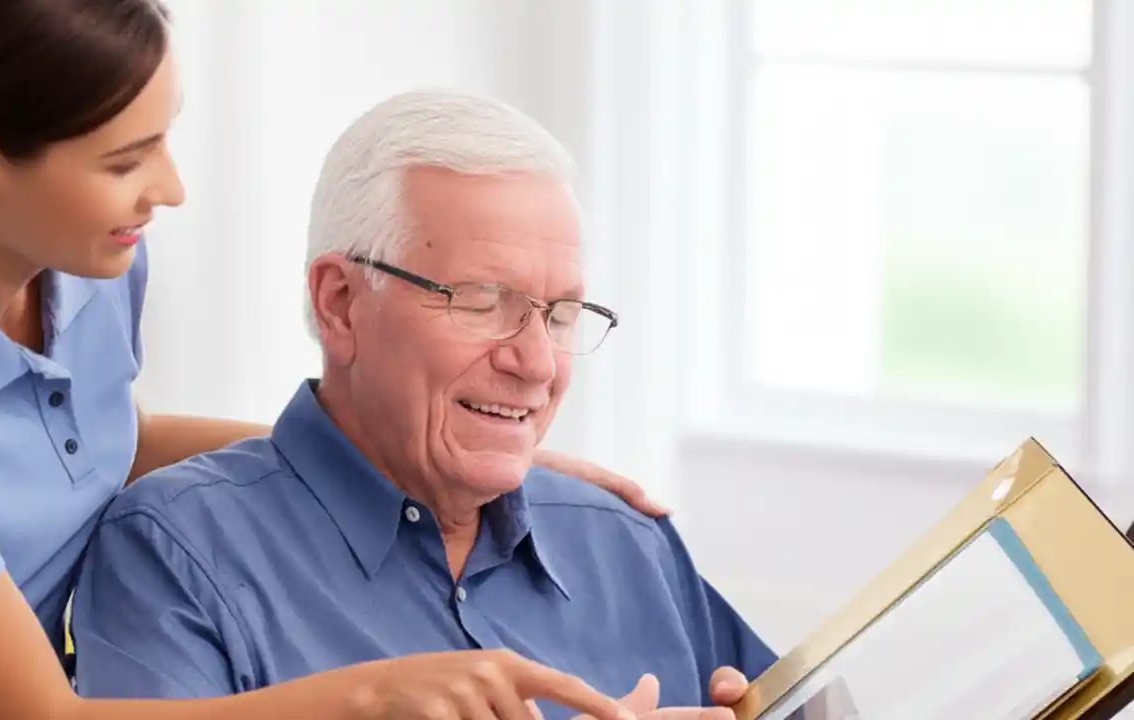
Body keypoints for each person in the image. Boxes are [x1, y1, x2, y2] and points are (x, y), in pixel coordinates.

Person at [0, 2, 661, 719]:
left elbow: (102, 444)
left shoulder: (84, 256)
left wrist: (431, 450)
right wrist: (375, 692)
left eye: (164, 137)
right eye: (124, 161)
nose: (169, 188)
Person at [69, 91, 777, 719]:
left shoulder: (625, 540)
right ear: (341, 303)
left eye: (560, 314)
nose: (535, 364)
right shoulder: (174, 551)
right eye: (481, 301)